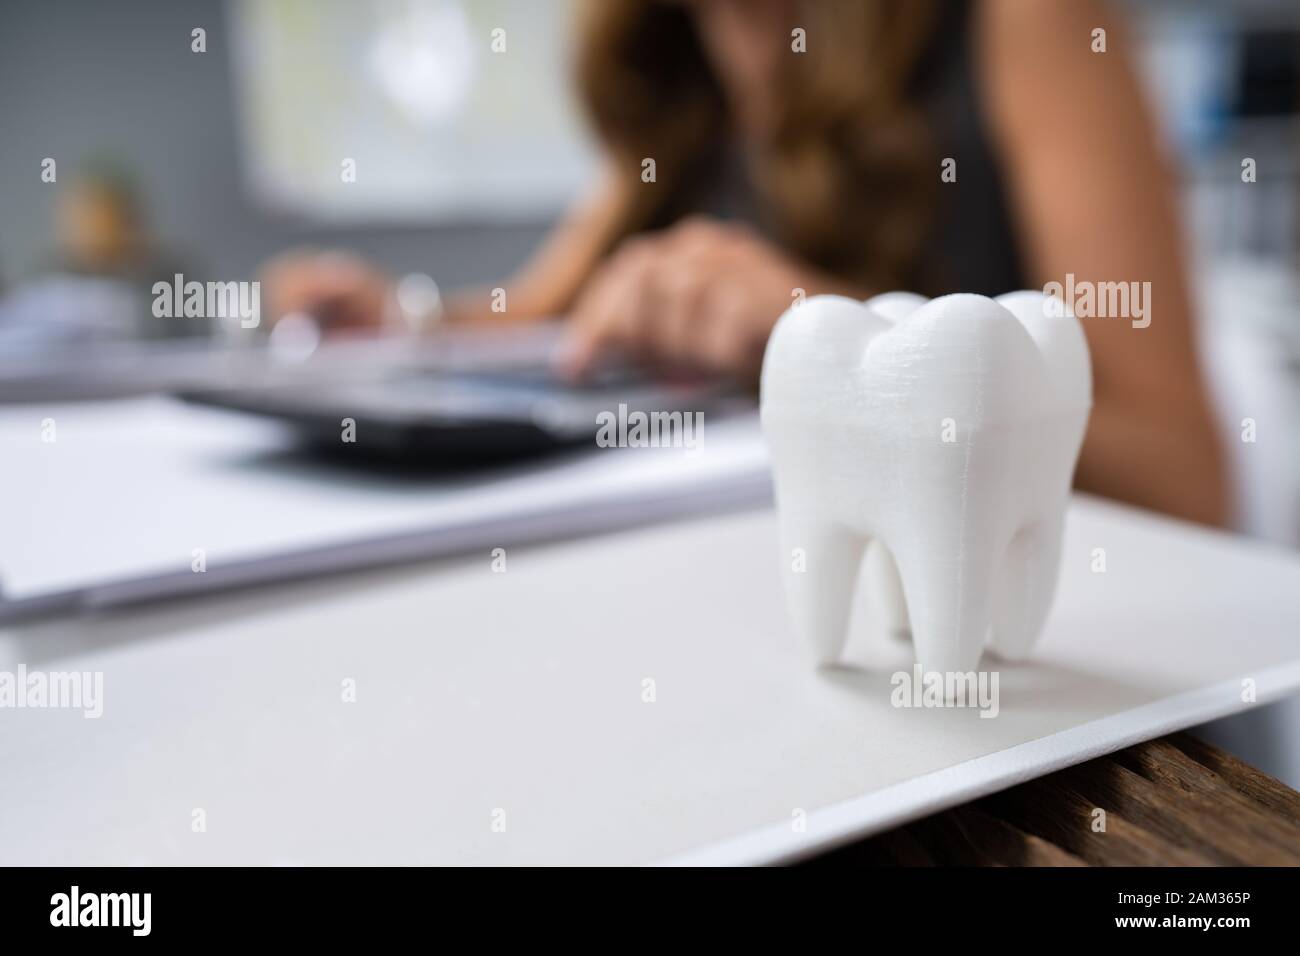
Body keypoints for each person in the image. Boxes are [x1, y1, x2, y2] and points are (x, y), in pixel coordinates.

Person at [262, 0, 1228, 527]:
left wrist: (831, 335)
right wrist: (402, 317)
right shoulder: (680, 90)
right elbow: (540, 314)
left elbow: (1186, 480)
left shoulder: (1024, 22)